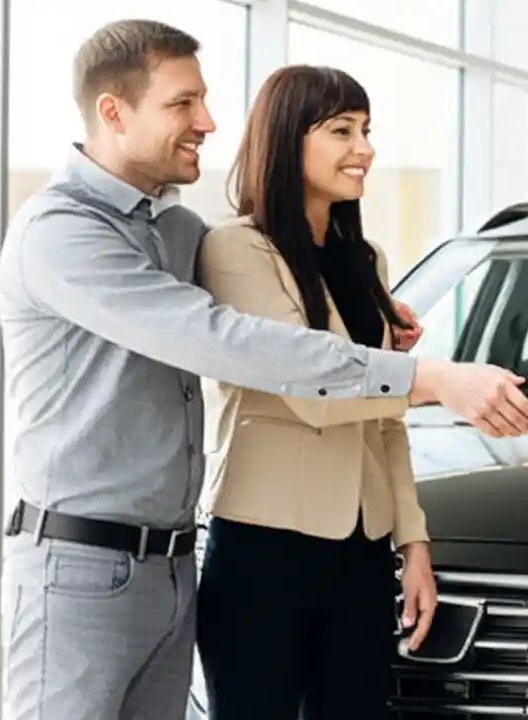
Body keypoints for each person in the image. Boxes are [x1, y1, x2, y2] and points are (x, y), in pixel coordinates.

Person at [0, 20, 528, 720]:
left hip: (171, 562)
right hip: (83, 560)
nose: (208, 122)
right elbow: (224, 339)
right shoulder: (62, 234)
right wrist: (426, 377)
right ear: (113, 110)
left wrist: (412, 531)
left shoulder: (176, 231)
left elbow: (347, 386)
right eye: (183, 103)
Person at [189, 64, 433, 719]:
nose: (365, 149)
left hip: (362, 548)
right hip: (264, 547)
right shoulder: (236, 249)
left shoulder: (368, 260)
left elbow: (383, 422)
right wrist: (432, 385)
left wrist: (414, 545)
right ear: (287, 138)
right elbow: (312, 390)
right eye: (342, 131)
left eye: (366, 130)